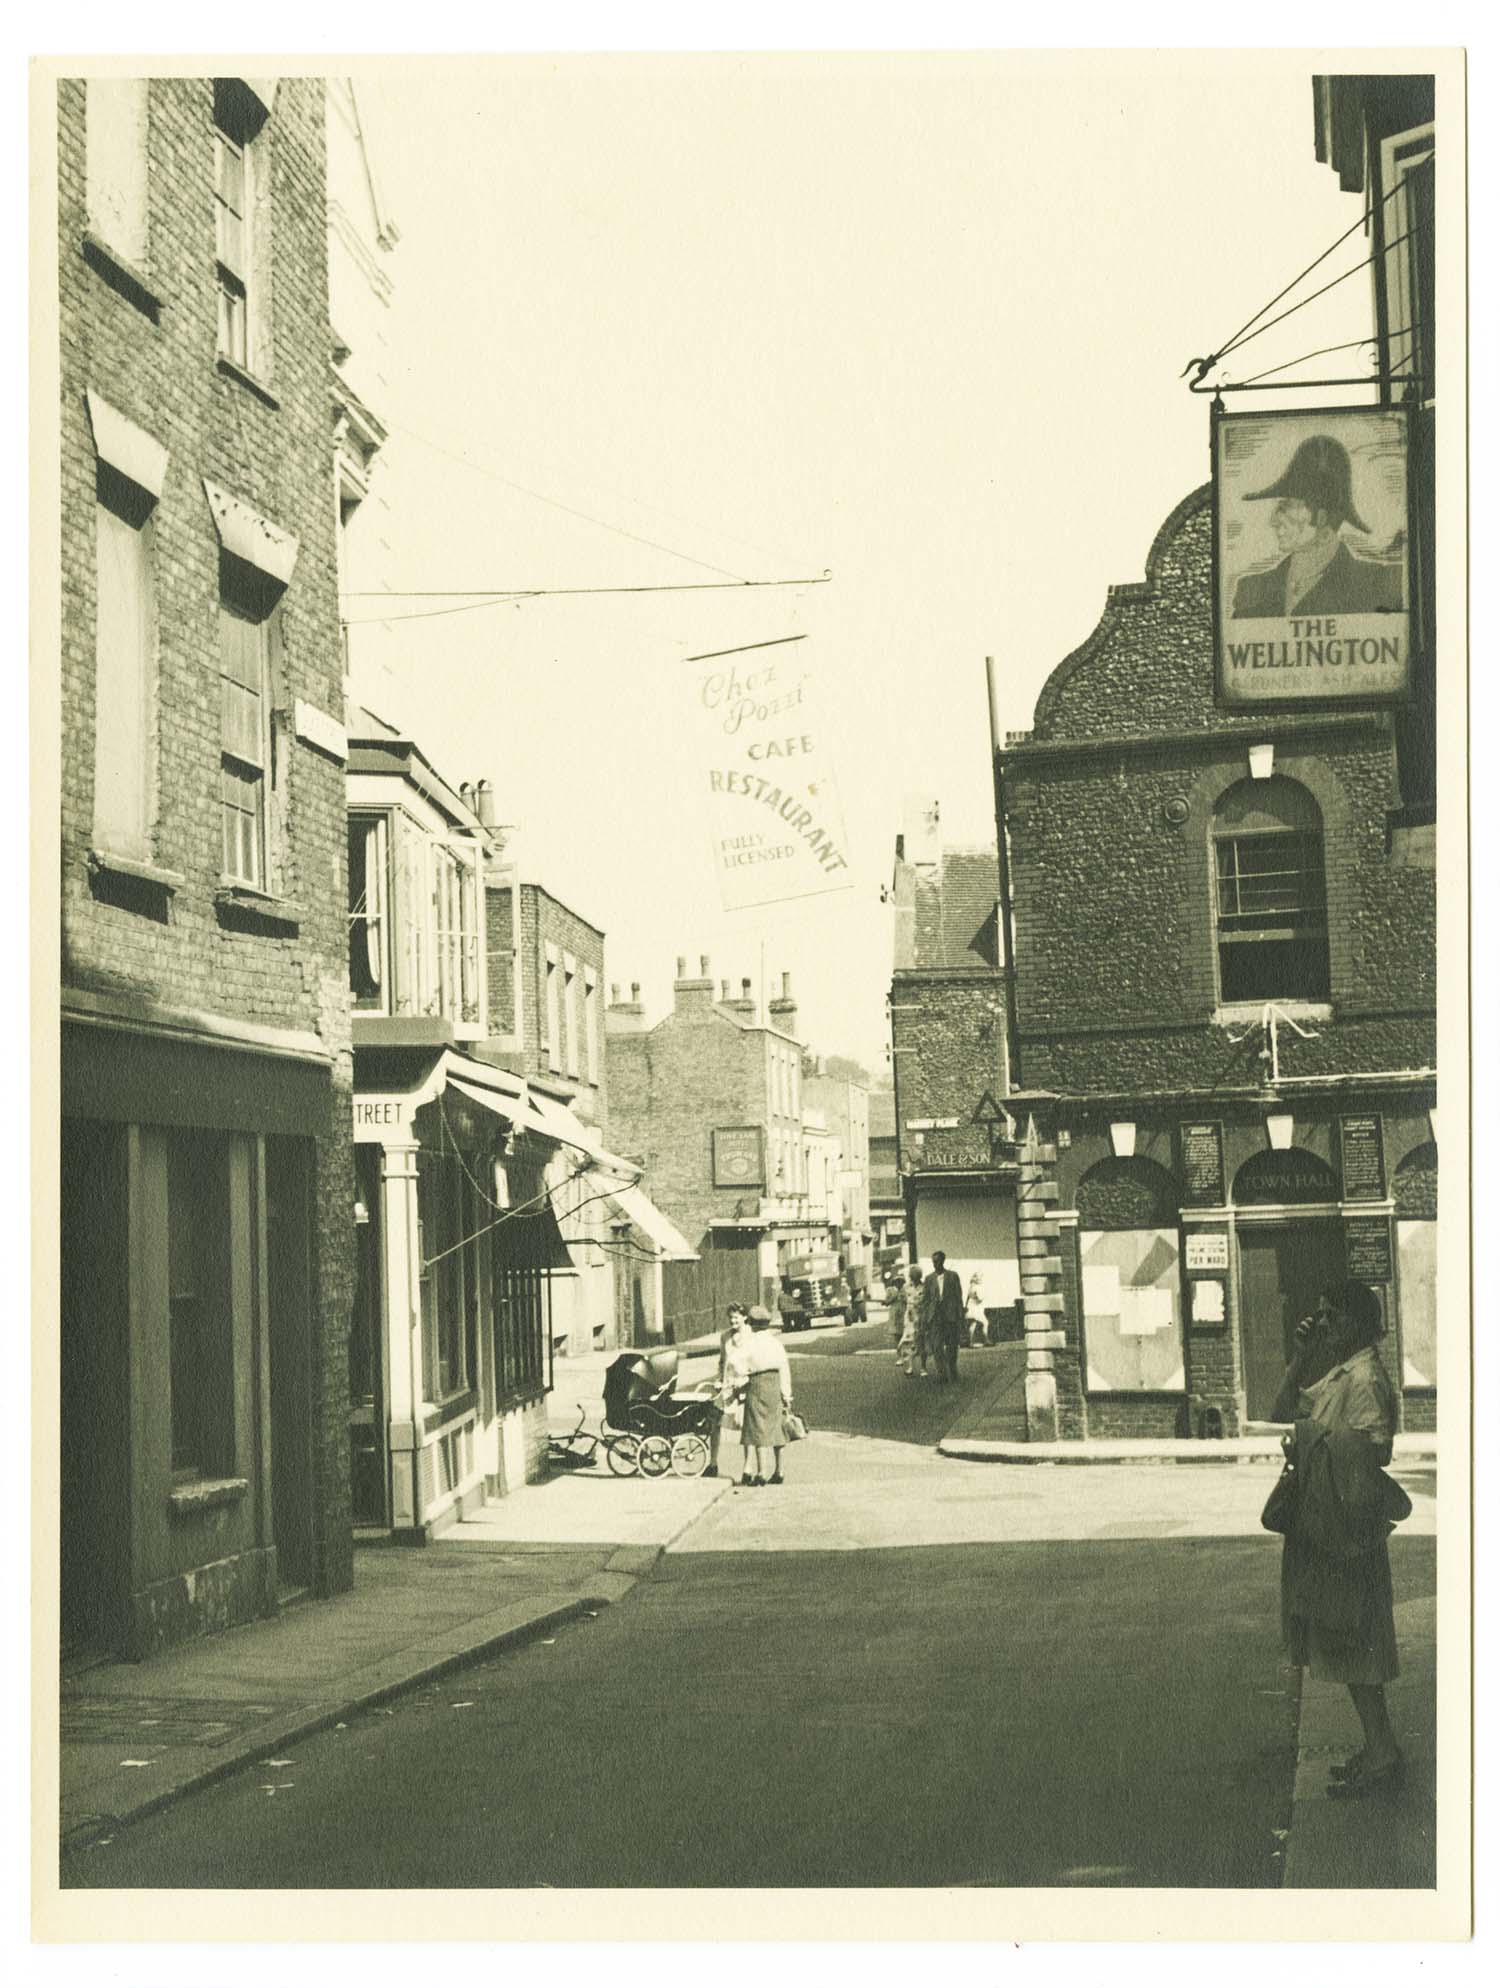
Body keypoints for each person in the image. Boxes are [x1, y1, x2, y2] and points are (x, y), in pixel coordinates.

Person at [1271, 1278, 1404, 1799]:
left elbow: (1373, 1454)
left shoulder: (1366, 1377)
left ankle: (1384, 1752)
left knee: (1357, 1645)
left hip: (1349, 1533)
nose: (1321, 1324)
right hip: (1331, 1530)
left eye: (1328, 1317)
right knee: (1351, 1648)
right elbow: (1283, 1408)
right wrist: (1300, 1355)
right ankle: (1379, 1748)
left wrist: (1311, 1443)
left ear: (1353, 1321)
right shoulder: (1339, 1372)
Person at [1231, 434, 1403, 620]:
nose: (1273, 520)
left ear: (1321, 517)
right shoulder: (1251, 590)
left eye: (1286, 506)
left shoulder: (1380, 584)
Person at [740, 1304, 794, 1487]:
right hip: (775, 1384)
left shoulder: (750, 1342)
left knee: (758, 1427)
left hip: (757, 1384)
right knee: (777, 1427)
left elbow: (735, 1363)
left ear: (751, 1324)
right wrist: (786, 1395)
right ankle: (779, 1471)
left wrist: (740, 1378)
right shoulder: (776, 1343)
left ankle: (761, 1472)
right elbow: (784, 1369)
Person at [707, 1304, 753, 1478]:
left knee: (746, 1427)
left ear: (745, 1317)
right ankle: (712, 1463)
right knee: (714, 1422)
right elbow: (722, 1361)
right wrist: (719, 1379)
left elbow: (753, 1360)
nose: (733, 1320)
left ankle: (748, 1468)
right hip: (726, 1387)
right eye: (731, 1317)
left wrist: (747, 1379)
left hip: (743, 1386)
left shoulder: (751, 1335)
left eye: (736, 1317)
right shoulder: (725, 1336)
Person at [919, 1250, 965, 1383]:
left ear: (943, 1261)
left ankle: (952, 1368)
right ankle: (942, 1373)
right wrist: (925, 1318)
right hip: (935, 1317)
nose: (935, 1264)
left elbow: (958, 1297)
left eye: (938, 1261)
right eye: (933, 1261)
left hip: (950, 1316)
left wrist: (960, 1316)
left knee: (952, 1345)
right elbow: (926, 1300)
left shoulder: (952, 1276)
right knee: (937, 1346)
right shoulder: (929, 1279)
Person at [887, 1271, 909, 1364]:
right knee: (896, 1336)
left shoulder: (906, 1290)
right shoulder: (890, 1290)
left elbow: (909, 1301)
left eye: (901, 1281)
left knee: (905, 1336)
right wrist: (893, 1297)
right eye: (897, 1281)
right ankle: (899, 1356)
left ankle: (906, 1355)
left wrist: (904, 1298)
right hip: (894, 1315)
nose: (899, 1283)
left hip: (904, 1315)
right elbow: (887, 1301)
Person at [964, 1272, 989, 1348]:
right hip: (976, 1308)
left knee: (973, 1324)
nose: (980, 1279)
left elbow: (968, 1298)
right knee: (985, 1323)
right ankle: (986, 1340)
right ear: (976, 1279)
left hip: (971, 1307)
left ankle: (970, 1342)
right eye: (979, 1278)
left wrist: (966, 1306)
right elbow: (979, 1298)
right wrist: (982, 1299)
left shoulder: (970, 1287)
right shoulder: (977, 1287)